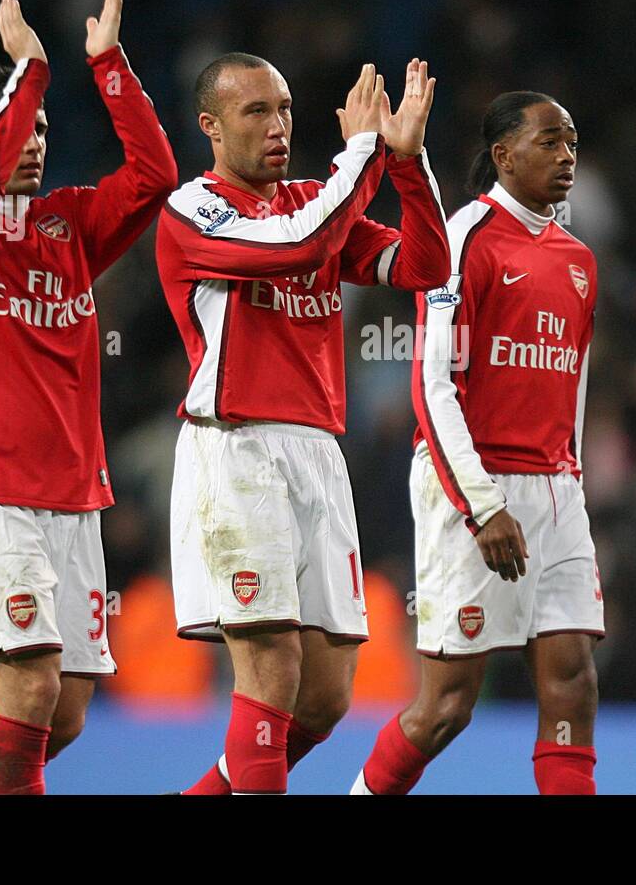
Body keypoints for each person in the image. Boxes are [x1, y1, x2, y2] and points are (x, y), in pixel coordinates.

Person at [0, 0, 177, 794]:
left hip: (74, 495)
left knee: (66, 713)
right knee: (31, 686)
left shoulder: (67, 226)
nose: (36, 140)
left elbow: (157, 176)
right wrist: (32, 70)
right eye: (18, 127)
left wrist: (108, 64)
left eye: (44, 127)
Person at [155, 55, 450, 794]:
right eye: (255, 111)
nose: (279, 124)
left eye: (285, 107)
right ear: (210, 127)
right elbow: (297, 245)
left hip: (318, 452)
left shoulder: (318, 201)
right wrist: (364, 154)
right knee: (273, 672)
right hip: (237, 449)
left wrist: (407, 163)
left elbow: (426, 265)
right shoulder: (196, 209)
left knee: (326, 694)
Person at [351, 91, 603, 795]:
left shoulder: (580, 259)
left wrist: (569, 484)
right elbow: (433, 383)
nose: (566, 157)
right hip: (473, 482)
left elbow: (572, 383)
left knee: (574, 684)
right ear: (503, 155)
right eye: (550, 142)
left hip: (555, 490)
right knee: (448, 705)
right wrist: (482, 504)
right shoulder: (466, 237)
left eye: (573, 143)